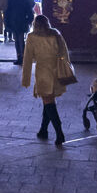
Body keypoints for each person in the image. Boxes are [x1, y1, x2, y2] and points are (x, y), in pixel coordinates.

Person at [20, 14, 76, 146]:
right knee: (48, 99)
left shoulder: (31, 37)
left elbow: (27, 58)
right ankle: (43, 129)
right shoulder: (56, 34)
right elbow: (64, 53)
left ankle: (59, 132)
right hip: (56, 72)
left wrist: (26, 78)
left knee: (49, 102)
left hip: (43, 73)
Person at [3, 0, 35, 64]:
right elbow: (29, 9)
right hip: (22, 20)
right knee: (20, 40)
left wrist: (6, 22)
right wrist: (29, 20)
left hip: (14, 21)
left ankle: (20, 57)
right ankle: (23, 57)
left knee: (18, 40)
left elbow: (7, 11)